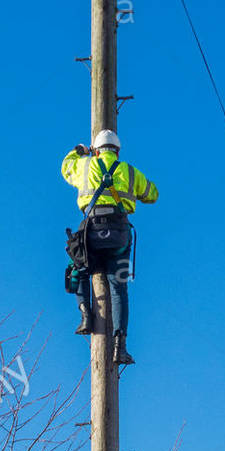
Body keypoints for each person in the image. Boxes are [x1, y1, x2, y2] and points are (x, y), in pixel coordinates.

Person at [62, 130, 158, 366]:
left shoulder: (85, 166)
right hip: (119, 237)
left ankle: (86, 316)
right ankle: (120, 347)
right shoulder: (129, 171)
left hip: (91, 234)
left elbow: (66, 167)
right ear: (117, 150)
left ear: (96, 150)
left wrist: (79, 151)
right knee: (119, 290)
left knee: (79, 270)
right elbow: (152, 194)